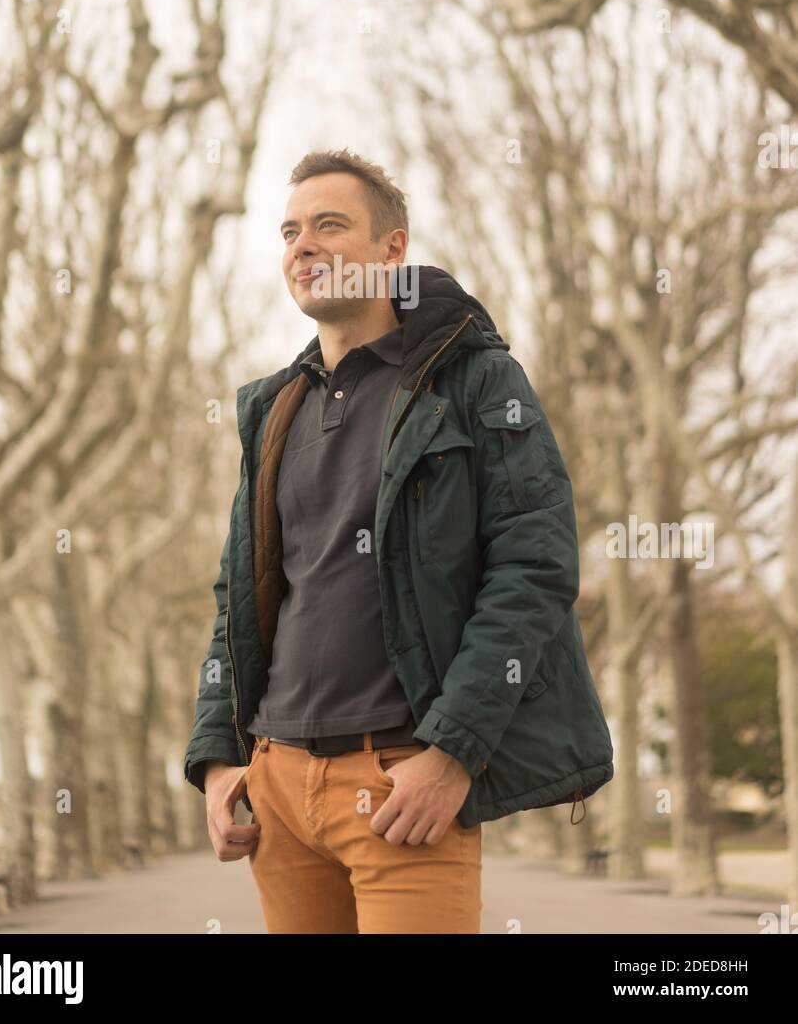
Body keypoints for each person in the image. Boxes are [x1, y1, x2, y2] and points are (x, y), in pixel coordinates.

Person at [184, 148, 613, 933]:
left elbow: (535, 567)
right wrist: (217, 758)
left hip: (399, 789)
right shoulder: (274, 411)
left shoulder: (474, 381)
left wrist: (452, 753)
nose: (302, 246)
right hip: (278, 788)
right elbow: (236, 594)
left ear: (392, 248)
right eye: (288, 232)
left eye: (328, 225)